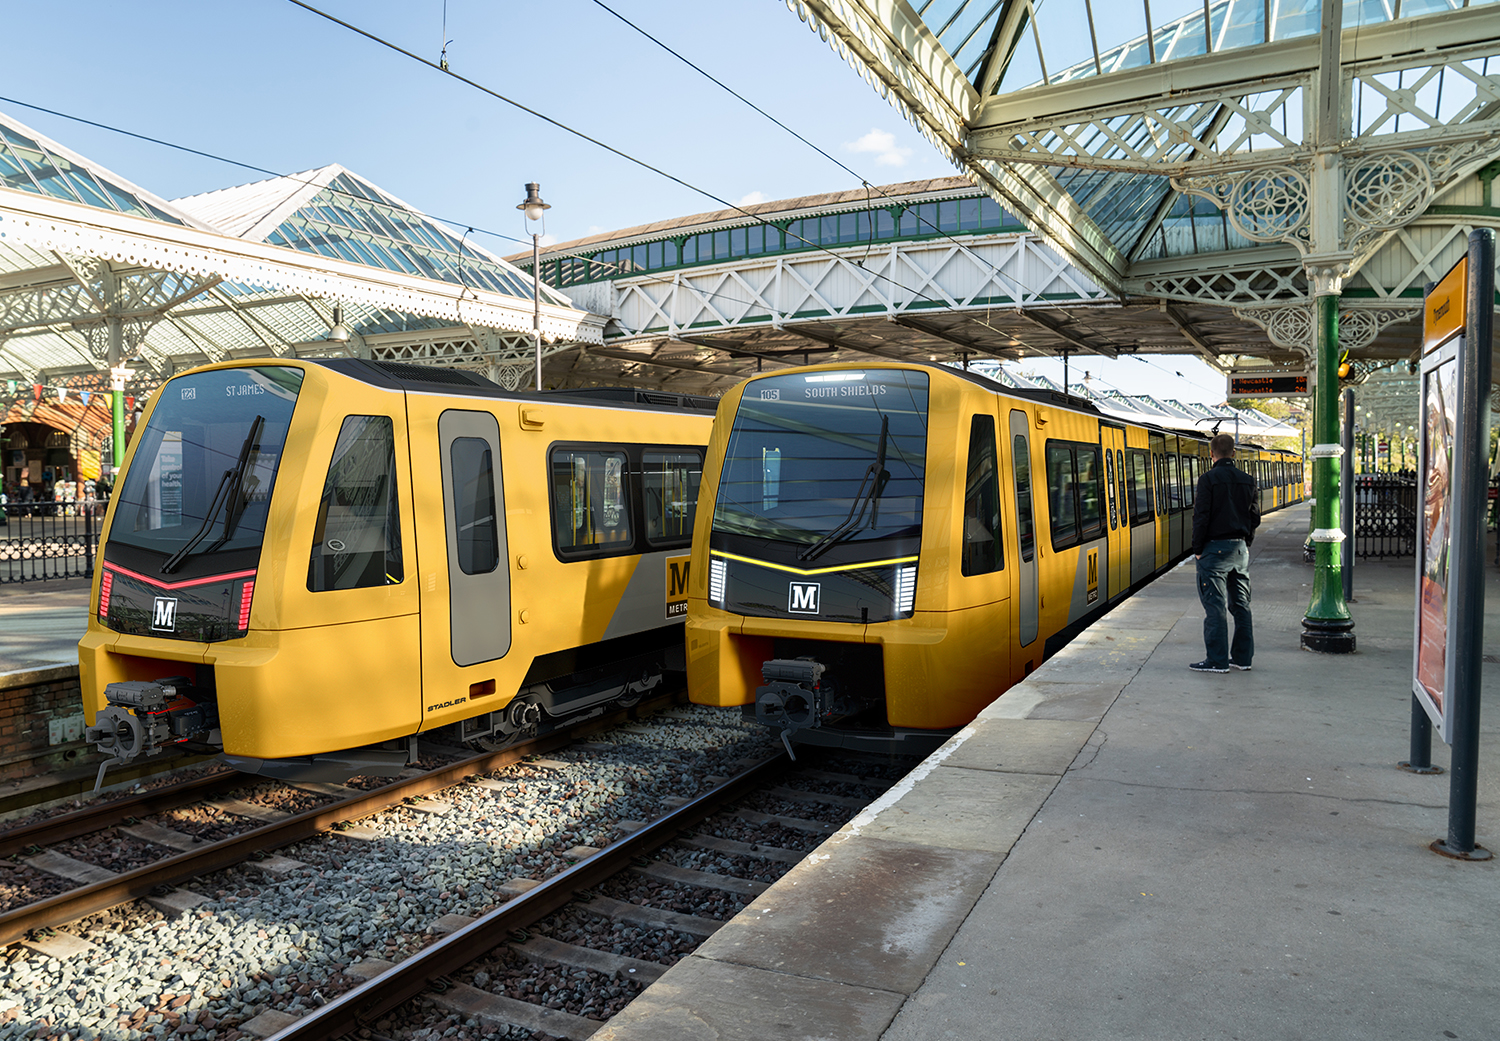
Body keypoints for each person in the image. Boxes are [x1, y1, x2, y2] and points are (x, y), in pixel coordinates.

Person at [1189, 433, 1260, 673]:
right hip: (1239, 549)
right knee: (1241, 605)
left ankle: (1217, 661)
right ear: (1234, 453)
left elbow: (1201, 517)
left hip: (1214, 550)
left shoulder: (1208, 480)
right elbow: (1254, 516)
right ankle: (1242, 658)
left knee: (1215, 606)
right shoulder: (1248, 480)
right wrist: (1246, 541)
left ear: (1211, 454)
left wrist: (1198, 549)